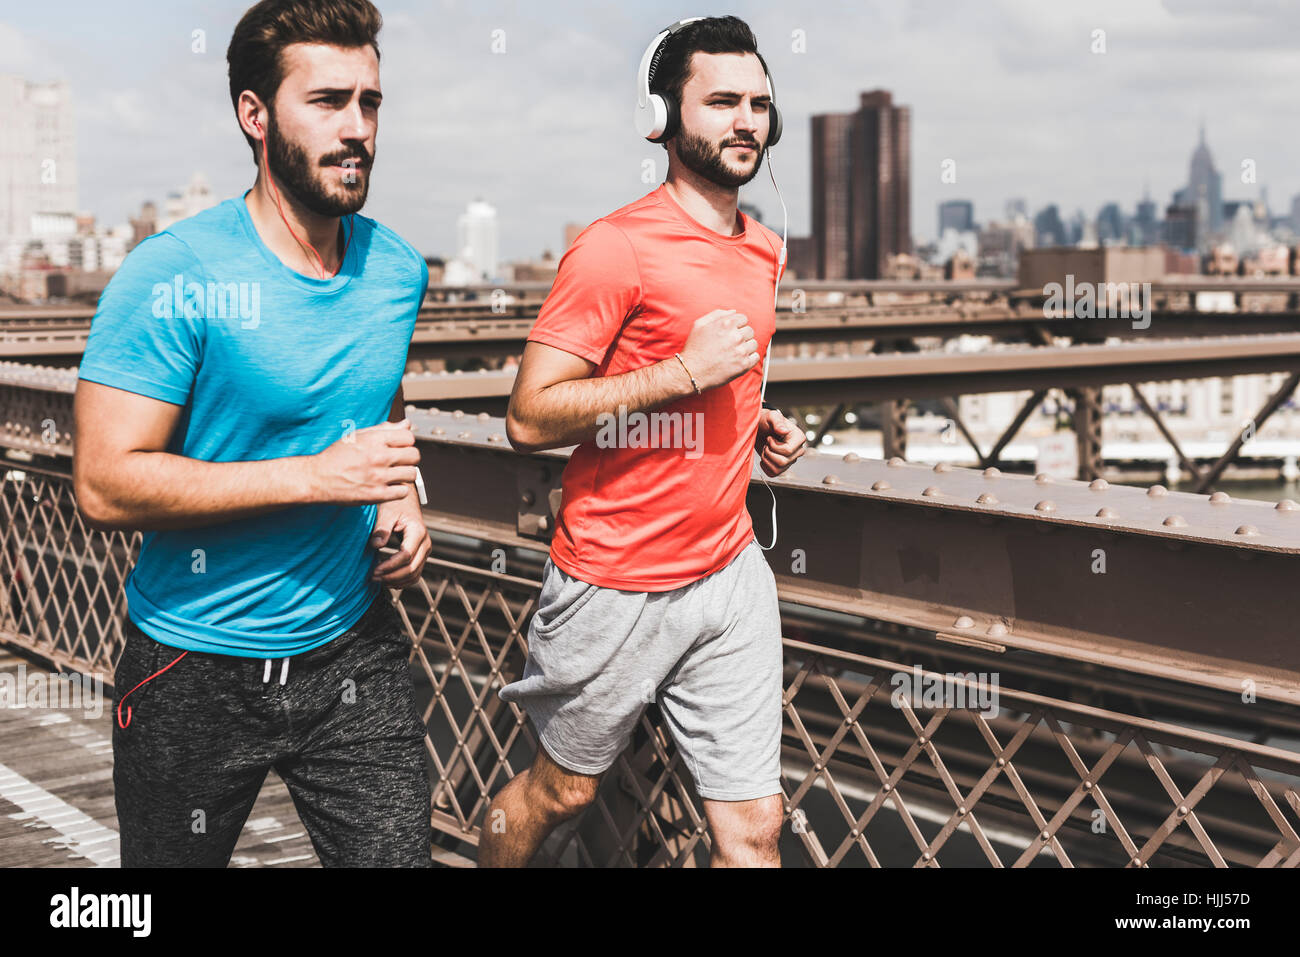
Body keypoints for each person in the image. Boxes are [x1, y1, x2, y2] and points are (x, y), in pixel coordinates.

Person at [73, 0, 433, 867]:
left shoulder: (397, 270)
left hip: (354, 650)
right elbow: (104, 481)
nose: (357, 129)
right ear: (255, 115)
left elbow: (369, 413)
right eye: (328, 101)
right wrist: (317, 477)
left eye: (370, 102)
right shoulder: (176, 272)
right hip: (193, 665)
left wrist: (402, 497)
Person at [483, 15, 807, 868]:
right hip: (614, 578)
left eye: (760, 105)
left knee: (754, 830)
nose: (747, 121)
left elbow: (726, 379)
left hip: (729, 572)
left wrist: (759, 422)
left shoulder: (767, 250)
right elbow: (529, 416)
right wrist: (681, 375)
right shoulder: (613, 247)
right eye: (723, 101)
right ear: (660, 118)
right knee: (560, 793)